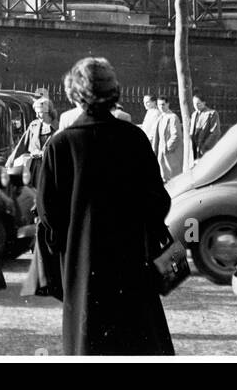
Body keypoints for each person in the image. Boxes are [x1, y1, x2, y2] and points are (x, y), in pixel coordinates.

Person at [36, 57, 174, 355]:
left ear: (74, 94)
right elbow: (158, 201)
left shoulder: (60, 145)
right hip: (131, 264)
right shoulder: (134, 138)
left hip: (82, 265)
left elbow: (48, 216)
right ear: (114, 92)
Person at [4, 94, 57, 186]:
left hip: (50, 167)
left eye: (39, 113)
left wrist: (42, 153)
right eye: (35, 112)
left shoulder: (58, 128)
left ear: (48, 112)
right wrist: (10, 162)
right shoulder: (33, 126)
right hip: (33, 167)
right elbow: (21, 145)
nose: (36, 115)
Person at [149, 96, 183, 180]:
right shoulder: (160, 117)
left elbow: (176, 135)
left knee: (172, 176)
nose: (161, 107)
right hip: (161, 152)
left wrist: (167, 148)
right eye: (159, 105)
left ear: (168, 104)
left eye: (163, 104)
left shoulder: (172, 117)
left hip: (171, 153)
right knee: (163, 176)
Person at [190, 93, 223, 158]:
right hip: (194, 149)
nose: (196, 106)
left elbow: (215, 132)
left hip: (205, 149)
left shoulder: (212, 114)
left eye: (198, 103)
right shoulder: (194, 115)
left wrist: (205, 146)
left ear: (204, 103)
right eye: (194, 104)